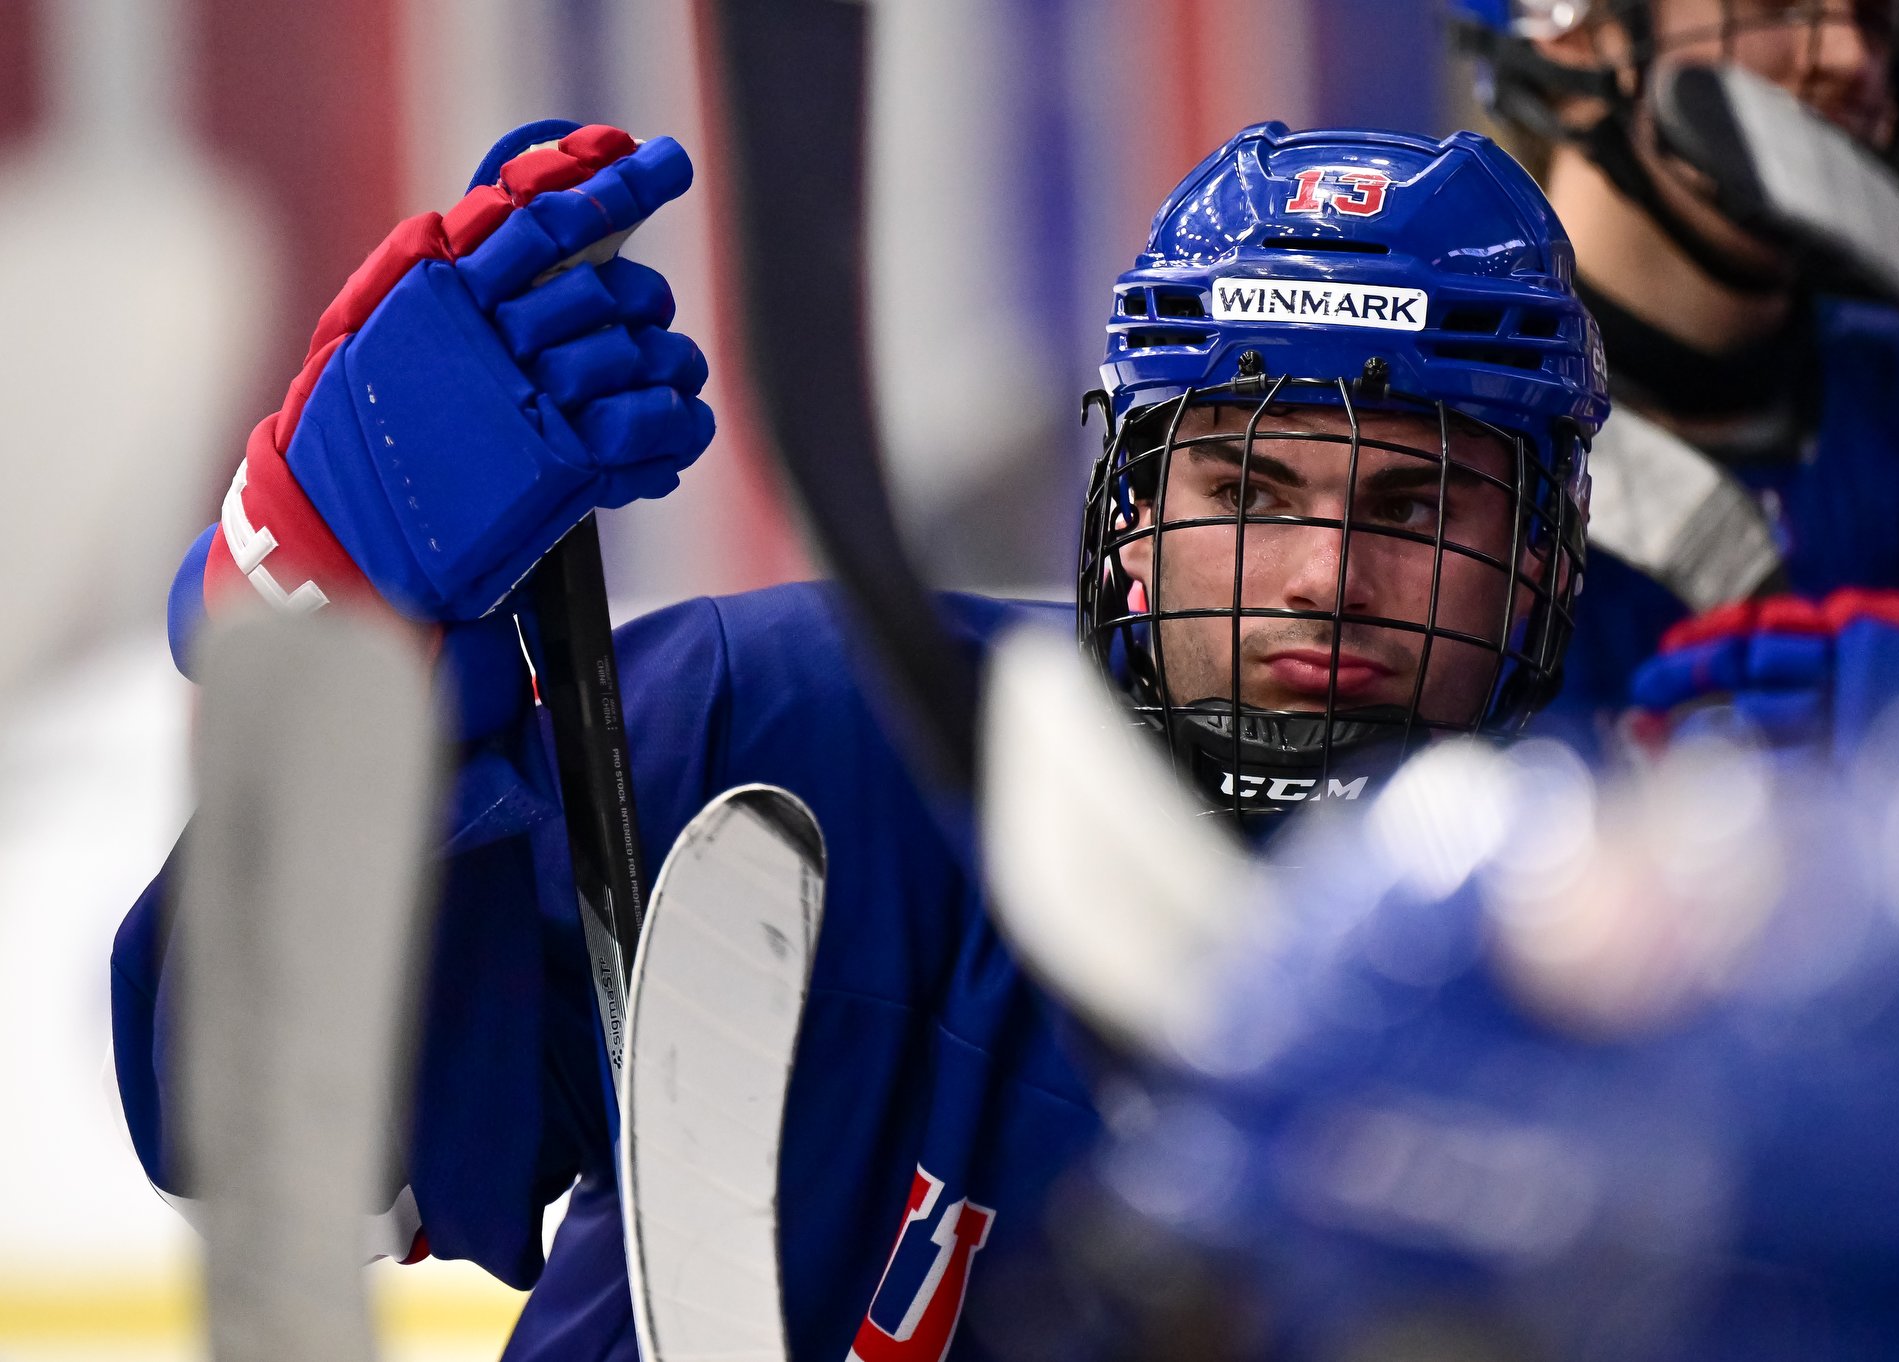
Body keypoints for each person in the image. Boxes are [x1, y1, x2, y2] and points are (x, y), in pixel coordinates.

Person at [110, 121, 1603, 1360]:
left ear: (1539, 556)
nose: (1322, 577)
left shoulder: (1642, 960)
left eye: (1413, 510)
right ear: (1133, 519)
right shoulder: (804, 732)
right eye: (1251, 489)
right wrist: (323, 608)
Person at [1454, 0, 1899, 732]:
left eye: (1874, 18)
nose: (1850, 59)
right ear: (1576, 29)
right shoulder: (1430, 419)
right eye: (1783, 5)